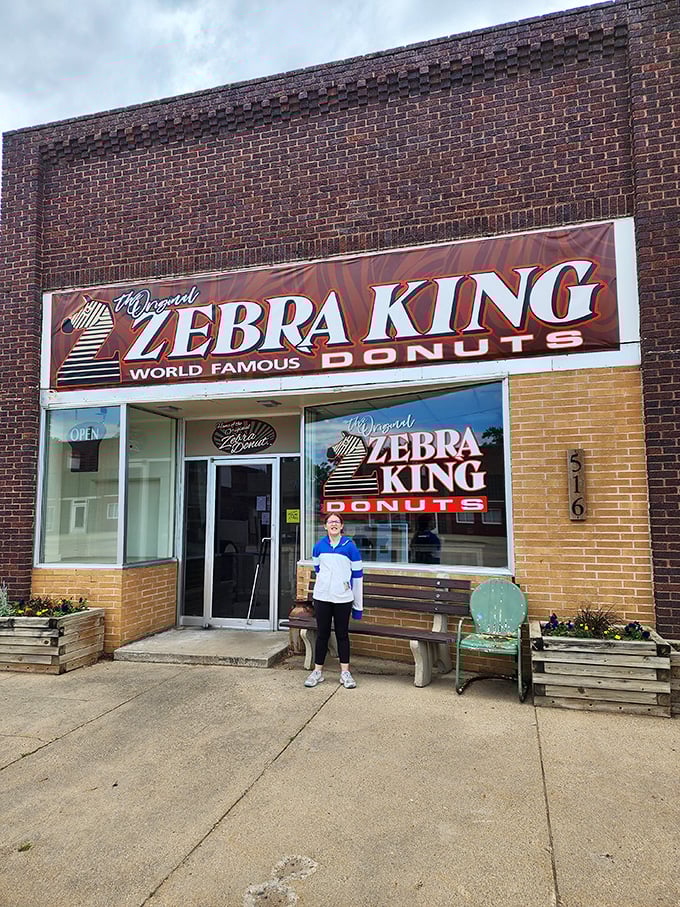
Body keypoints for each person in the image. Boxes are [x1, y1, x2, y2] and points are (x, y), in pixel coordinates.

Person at [305, 514, 363, 689]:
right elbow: (318, 569)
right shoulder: (319, 546)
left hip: (343, 599)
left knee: (342, 635)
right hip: (322, 598)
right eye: (330, 522)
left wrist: (358, 607)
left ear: (342, 526)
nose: (334, 524)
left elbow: (358, 577)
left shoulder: (350, 547)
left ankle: (345, 673)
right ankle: (317, 672)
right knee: (322, 634)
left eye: (337, 522)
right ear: (325, 526)